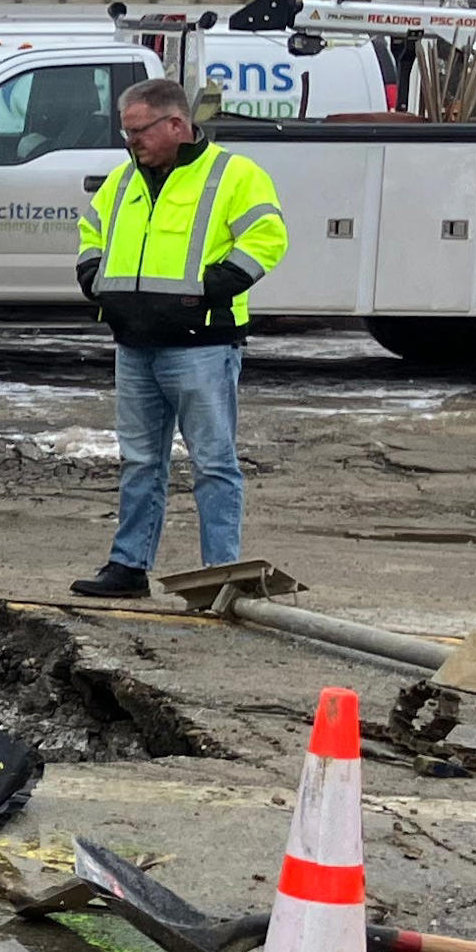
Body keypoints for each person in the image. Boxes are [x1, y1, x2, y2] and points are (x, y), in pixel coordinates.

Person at [69, 76, 289, 599]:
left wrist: (212, 288)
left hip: (202, 345)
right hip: (135, 343)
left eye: (139, 131)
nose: (131, 142)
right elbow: (91, 231)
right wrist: (94, 278)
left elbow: (268, 236)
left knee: (213, 464)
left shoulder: (234, 175)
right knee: (140, 460)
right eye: (126, 133)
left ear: (175, 123)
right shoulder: (124, 179)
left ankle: (221, 574)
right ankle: (128, 567)